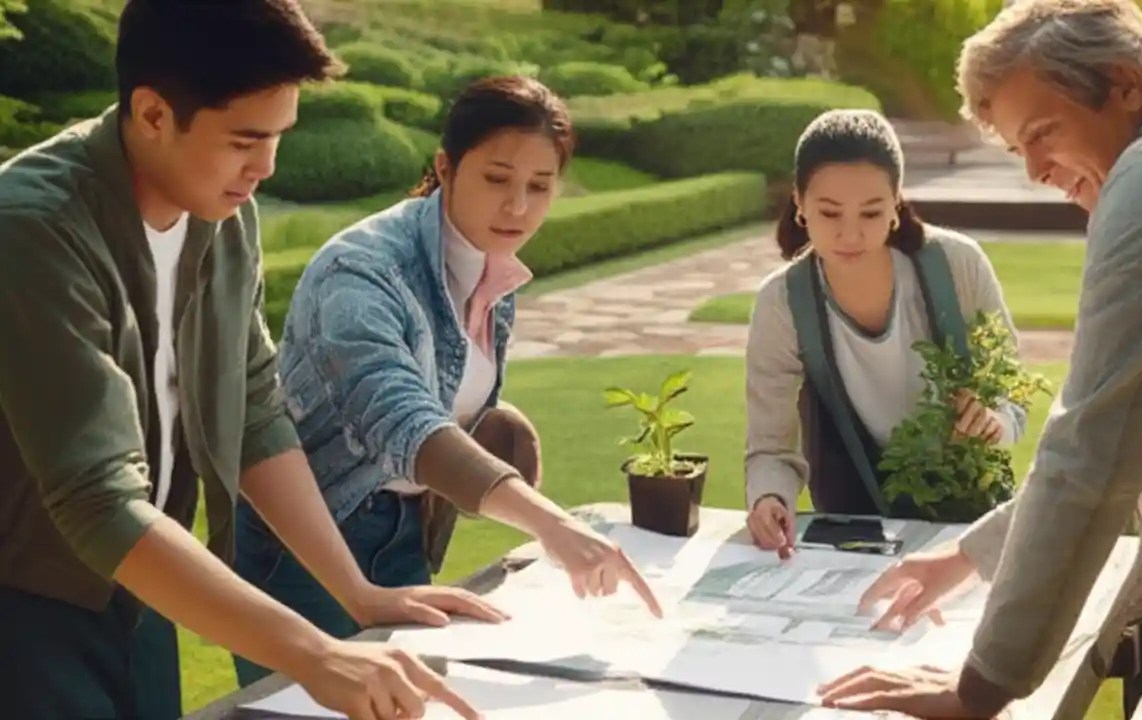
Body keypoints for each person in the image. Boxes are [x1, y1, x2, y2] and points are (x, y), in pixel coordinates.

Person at [0, 2, 508, 719]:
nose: (266, 167)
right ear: (151, 114)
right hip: (26, 605)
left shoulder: (221, 210)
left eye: (277, 137)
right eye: (245, 139)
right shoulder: (32, 229)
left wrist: (355, 595)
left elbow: (254, 411)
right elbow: (97, 500)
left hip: (145, 584)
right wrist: (314, 653)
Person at [816, 1, 1142, 718]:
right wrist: (971, 556)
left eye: (1042, 133)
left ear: (1124, 84)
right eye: (1016, 149)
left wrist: (978, 690)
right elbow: (1126, 438)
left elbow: (1094, 450)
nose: (1033, 170)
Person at [232, 74, 663, 686]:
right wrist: (553, 524)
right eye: (496, 178)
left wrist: (490, 420)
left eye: (539, 186)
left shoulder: (490, 266)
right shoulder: (360, 271)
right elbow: (399, 417)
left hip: (404, 532)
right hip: (308, 541)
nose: (518, 206)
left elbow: (440, 388)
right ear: (446, 166)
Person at [743, 109, 1029, 570]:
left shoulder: (957, 266)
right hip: (852, 526)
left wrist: (993, 422)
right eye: (829, 212)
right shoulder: (783, 301)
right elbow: (771, 447)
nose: (850, 233)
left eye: (872, 212)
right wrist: (768, 497)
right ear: (799, 202)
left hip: (966, 522)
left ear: (897, 201)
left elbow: (1014, 397)